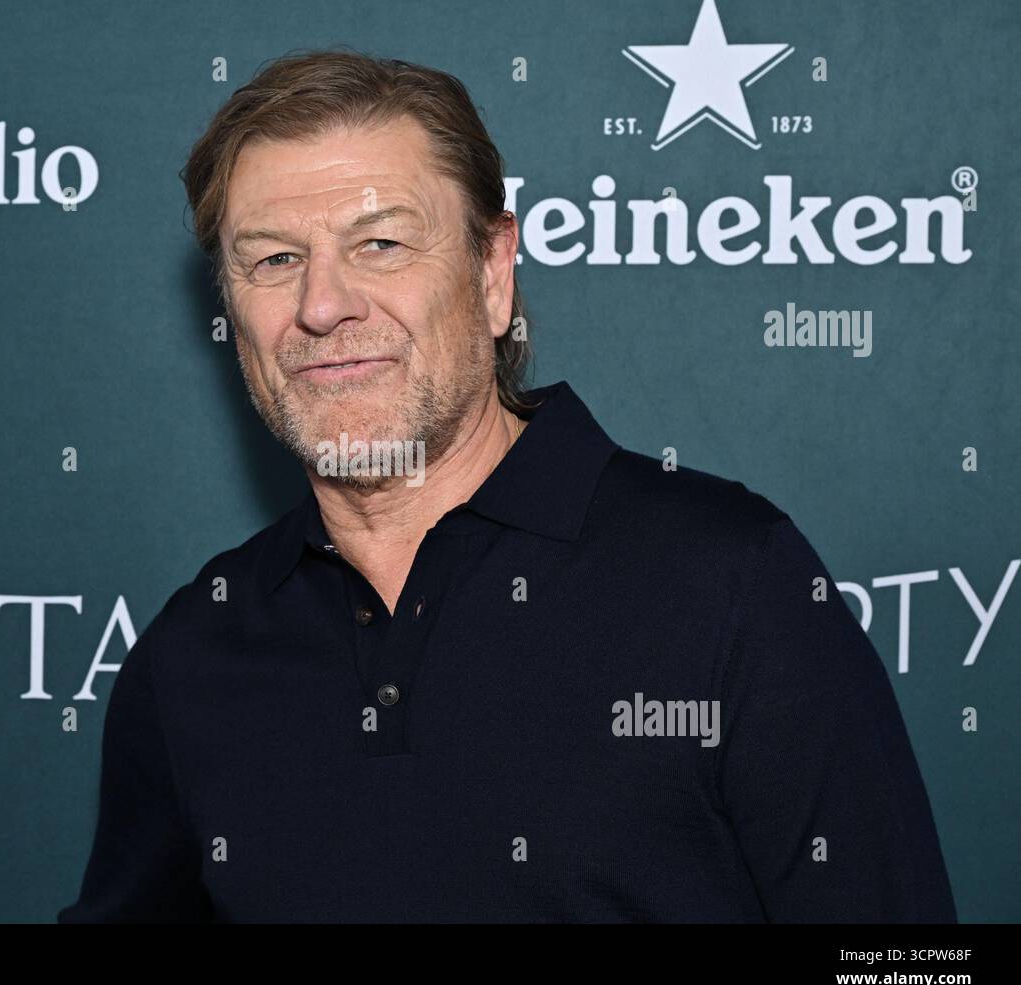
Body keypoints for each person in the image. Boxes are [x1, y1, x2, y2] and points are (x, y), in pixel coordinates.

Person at [58, 50, 955, 923]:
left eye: (380, 242)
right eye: (274, 260)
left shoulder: (733, 584)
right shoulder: (194, 649)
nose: (323, 306)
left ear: (492, 275)